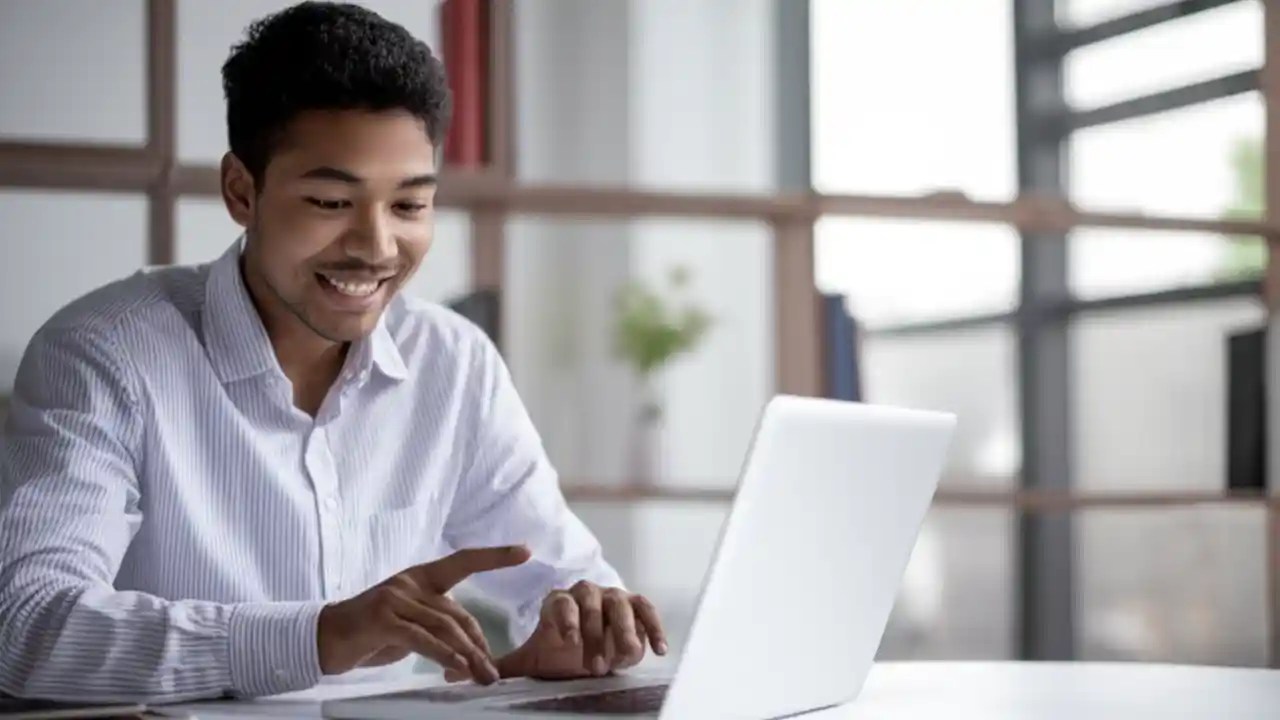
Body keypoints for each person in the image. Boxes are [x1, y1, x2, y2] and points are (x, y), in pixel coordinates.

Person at [0, 1, 665, 703]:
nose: (377, 248)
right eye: (329, 202)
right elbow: (24, 624)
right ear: (241, 191)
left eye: (409, 206)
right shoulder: (107, 354)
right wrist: (320, 636)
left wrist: (586, 626)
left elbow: (562, 577)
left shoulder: (453, 363)